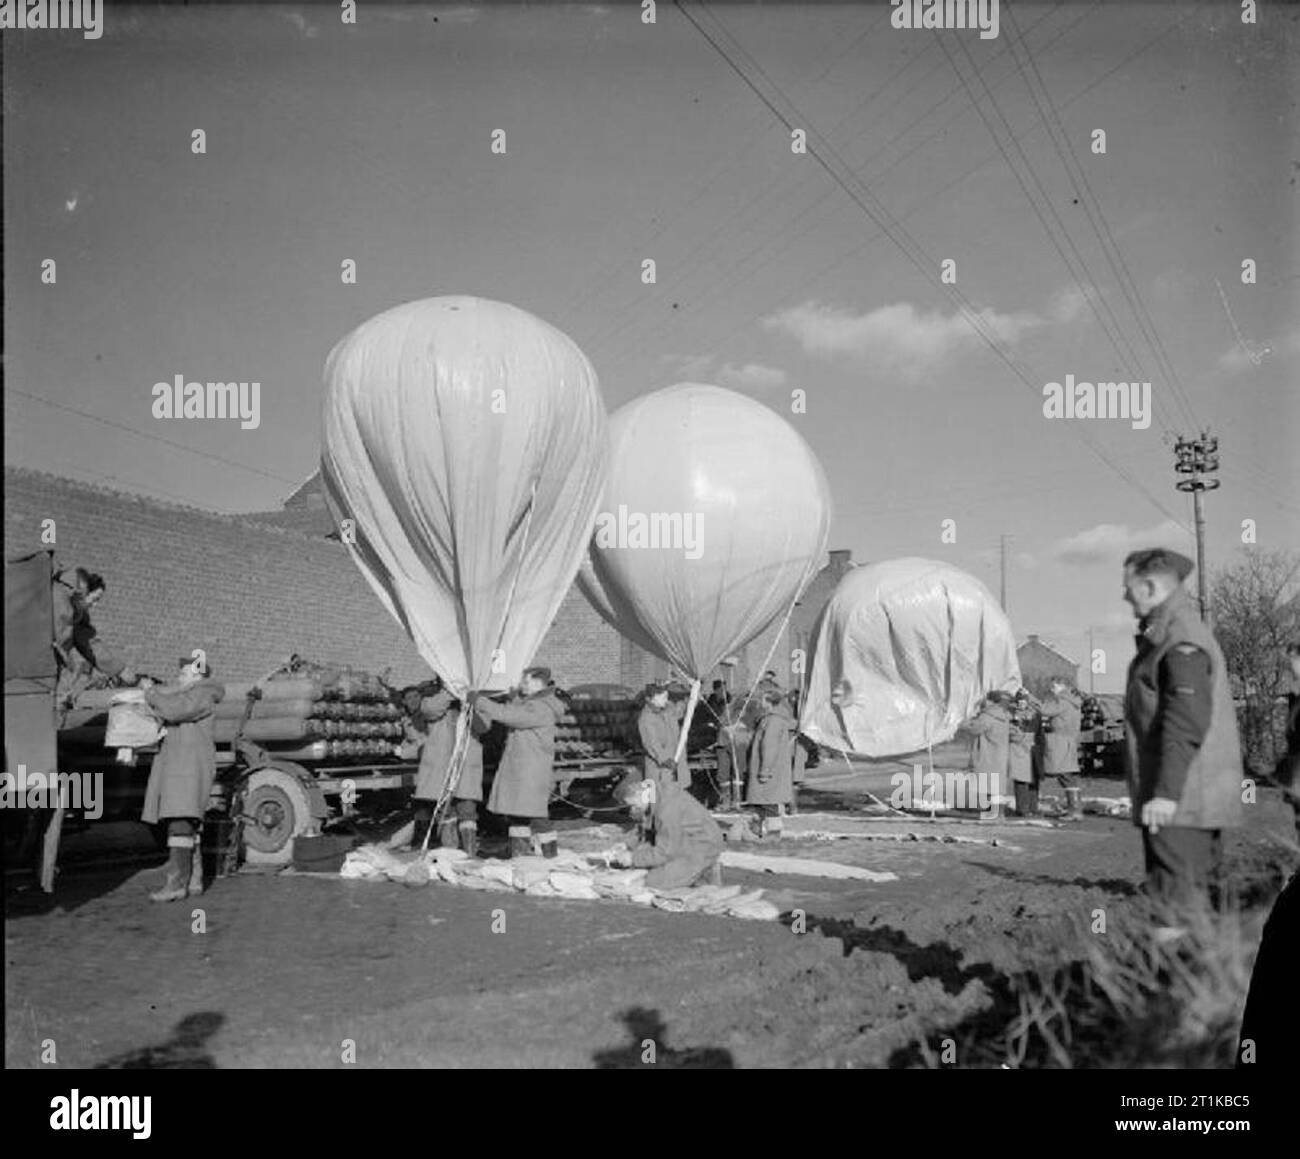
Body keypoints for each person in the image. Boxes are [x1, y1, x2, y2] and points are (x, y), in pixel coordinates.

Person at [1122, 548, 1243, 901]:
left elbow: (1184, 721)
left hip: (1181, 805)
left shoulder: (1180, 640)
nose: (1124, 594)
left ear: (1147, 586)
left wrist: (1165, 794)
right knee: (1194, 909)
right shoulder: (1171, 635)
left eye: (1127, 586)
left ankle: (1176, 956)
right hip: (1187, 801)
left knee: (1175, 913)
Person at [141, 654, 226, 902]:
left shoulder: (202, 694)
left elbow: (177, 710)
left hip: (188, 769)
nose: (179, 676)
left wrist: (151, 693)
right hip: (182, 767)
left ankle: (176, 884)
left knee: (180, 822)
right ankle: (194, 880)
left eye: (184, 672)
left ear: (197, 675)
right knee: (187, 826)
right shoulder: (193, 695)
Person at [476, 666, 566, 859]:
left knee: (536, 814)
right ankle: (520, 854)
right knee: (517, 814)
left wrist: (480, 701)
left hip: (529, 771)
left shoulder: (540, 707)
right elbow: (518, 710)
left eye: (525, 682)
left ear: (537, 683)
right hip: (524, 768)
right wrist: (513, 698)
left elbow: (512, 716)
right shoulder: (536, 704)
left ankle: (551, 855)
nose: (521, 685)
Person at [409, 678, 486, 855]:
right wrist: (452, 691)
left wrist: (471, 701)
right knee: (445, 810)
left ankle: (469, 851)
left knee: (467, 809)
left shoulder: (476, 700)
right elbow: (429, 711)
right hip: (442, 767)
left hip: (465, 766)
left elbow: (484, 726)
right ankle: (450, 852)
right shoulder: (432, 699)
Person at [613, 773, 723, 890]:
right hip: (679, 840)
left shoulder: (668, 808)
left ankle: (706, 870)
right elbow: (645, 828)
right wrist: (627, 845)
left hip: (700, 844)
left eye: (633, 805)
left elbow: (666, 852)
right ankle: (694, 871)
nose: (632, 810)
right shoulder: (654, 797)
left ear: (641, 794)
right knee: (641, 857)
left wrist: (633, 858)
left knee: (655, 882)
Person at [746, 688, 794, 838]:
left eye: (762, 700)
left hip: (768, 769)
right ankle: (756, 829)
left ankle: (773, 833)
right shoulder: (771, 719)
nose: (760, 702)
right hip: (769, 768)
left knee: (768, 801)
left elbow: (769, 746)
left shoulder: (773, 721)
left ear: (768, 702)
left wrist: (765, 770)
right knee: (761, 801)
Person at [1040, 678, 1084, 819]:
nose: (1052, 689)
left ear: (1062, 686)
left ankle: (1074, 811)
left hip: (1059, 743)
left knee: (1065, 776)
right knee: (1069, 777)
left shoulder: (1062, 701)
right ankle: (1075, 809)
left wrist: (1029, 698)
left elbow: (1044, 710)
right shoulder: (1073, 703)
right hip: (1069, 742)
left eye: (1054, 686)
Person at [637, 681, 689, 786]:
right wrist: (665, 760)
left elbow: (680, 711)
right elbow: (652, 743)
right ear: (649, 699)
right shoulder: (646, 719)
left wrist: (693, 696)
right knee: (658, 798)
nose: (666, 699)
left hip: (677, 761)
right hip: (660, 769)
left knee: (679, 795)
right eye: (662, 697)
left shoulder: (667, 708)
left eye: (666, 696)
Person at [967, 692, 1012, 808]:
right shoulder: (1005, 715)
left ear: (991, 701)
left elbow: (974, 729)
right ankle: (998, 814)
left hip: (986, 756)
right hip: (1000, 755)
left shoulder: (987, 716)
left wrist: (964, 720)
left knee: (986, 785)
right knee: (997, 786)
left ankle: (989, 814)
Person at [1008, 692, 1037, 817]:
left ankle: (1029, 808)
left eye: (1023, 701)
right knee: (1021, 780)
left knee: (1029, 781)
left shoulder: (1033, 715)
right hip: (1019, 751)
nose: (1021, 704)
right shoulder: (1011, 715)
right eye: (1019, 701)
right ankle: (1023, 809)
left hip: (1029, 750)